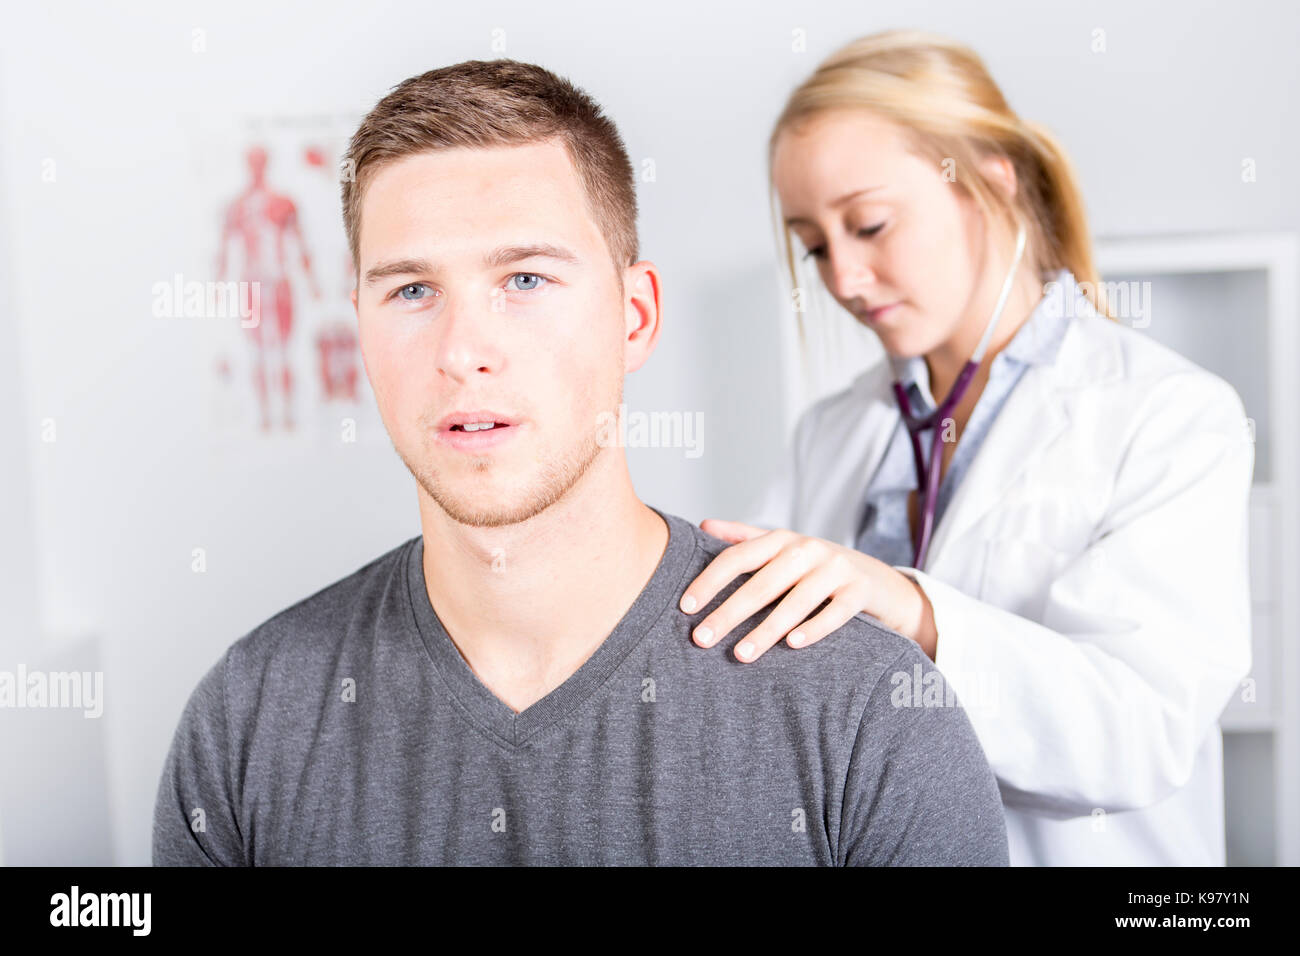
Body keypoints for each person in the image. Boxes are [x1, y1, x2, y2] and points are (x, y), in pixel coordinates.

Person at [152, 58, 1008, 866]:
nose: (462, 351)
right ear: (361, 330)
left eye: (524, 280)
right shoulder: (245, 723)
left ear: (634, 319)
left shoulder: (868, 715)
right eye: (411, 290)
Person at [680, 31, 1254, 866]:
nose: (841, 277)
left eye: (870, 224)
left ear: (990, 177)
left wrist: (911, 609)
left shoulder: (1167, 413)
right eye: (814, 244)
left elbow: (1142, 735)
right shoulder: (835, 433)